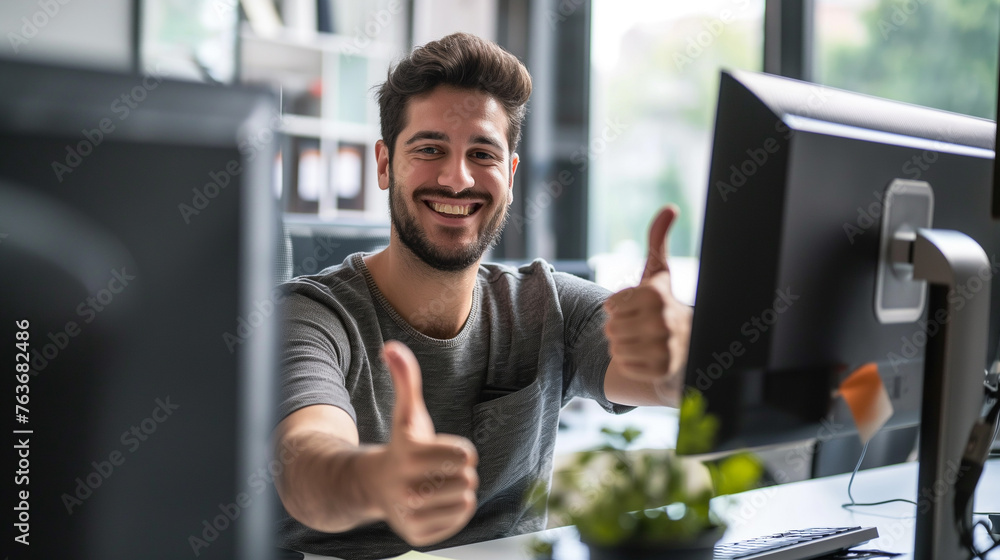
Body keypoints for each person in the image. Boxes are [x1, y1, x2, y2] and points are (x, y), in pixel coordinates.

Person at [272, 32, 692, 559]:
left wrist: (683, 347)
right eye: (429, 149)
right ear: (384, 164)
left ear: (510, 175)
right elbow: (304, 463)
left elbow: (682, 379)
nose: (456, 178)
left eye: (482, 153)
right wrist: (376, 481)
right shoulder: (308, 316)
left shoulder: (548, 306)